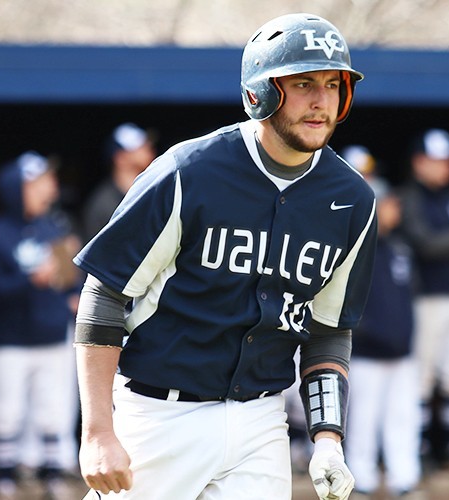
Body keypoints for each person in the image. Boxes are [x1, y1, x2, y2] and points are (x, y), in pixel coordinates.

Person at [72, 13, 376, 500]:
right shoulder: (187, 171)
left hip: (261, 419)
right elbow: (105, 296)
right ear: (262, 91)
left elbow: (328, 330)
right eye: (303, 83)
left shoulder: (353, 201)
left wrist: (327, 440)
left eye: (333, 85)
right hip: (160, 413)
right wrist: (97, 433)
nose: (321, 101)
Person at [0, 151, 80, 499]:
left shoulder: (52, 227)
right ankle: (5, 479)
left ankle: (51, 478)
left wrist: (76, 293)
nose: (44, 190)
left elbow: (68, 280)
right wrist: (30, 281)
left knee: (52, 411)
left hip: (51, 334)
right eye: (34, 184)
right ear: (14, 189)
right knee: (6, 411)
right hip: (12, 339)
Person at [397, 129, 449, 465]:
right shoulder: (408, 197)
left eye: (447, 160)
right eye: (436, 160)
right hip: (424, 298)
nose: (444, 167)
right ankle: (419, 447)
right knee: (422, 374)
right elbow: (424, 244)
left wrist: (446, 242)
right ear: (419, 162)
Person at [345, 178, 425, 500]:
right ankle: (360, 480)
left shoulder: (401, 248)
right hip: (366, 354)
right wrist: (367, 333)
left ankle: (403, 478)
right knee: (362, 419)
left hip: (401, 353)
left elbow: (410, 297)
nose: (395, 209)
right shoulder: (354, 248)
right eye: (388, 203)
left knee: (403, 418)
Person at [80, 122, 156, 241]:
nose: (147, 148)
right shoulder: (103, 204)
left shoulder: (155, 191)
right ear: (120, 158)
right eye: (138, 147)